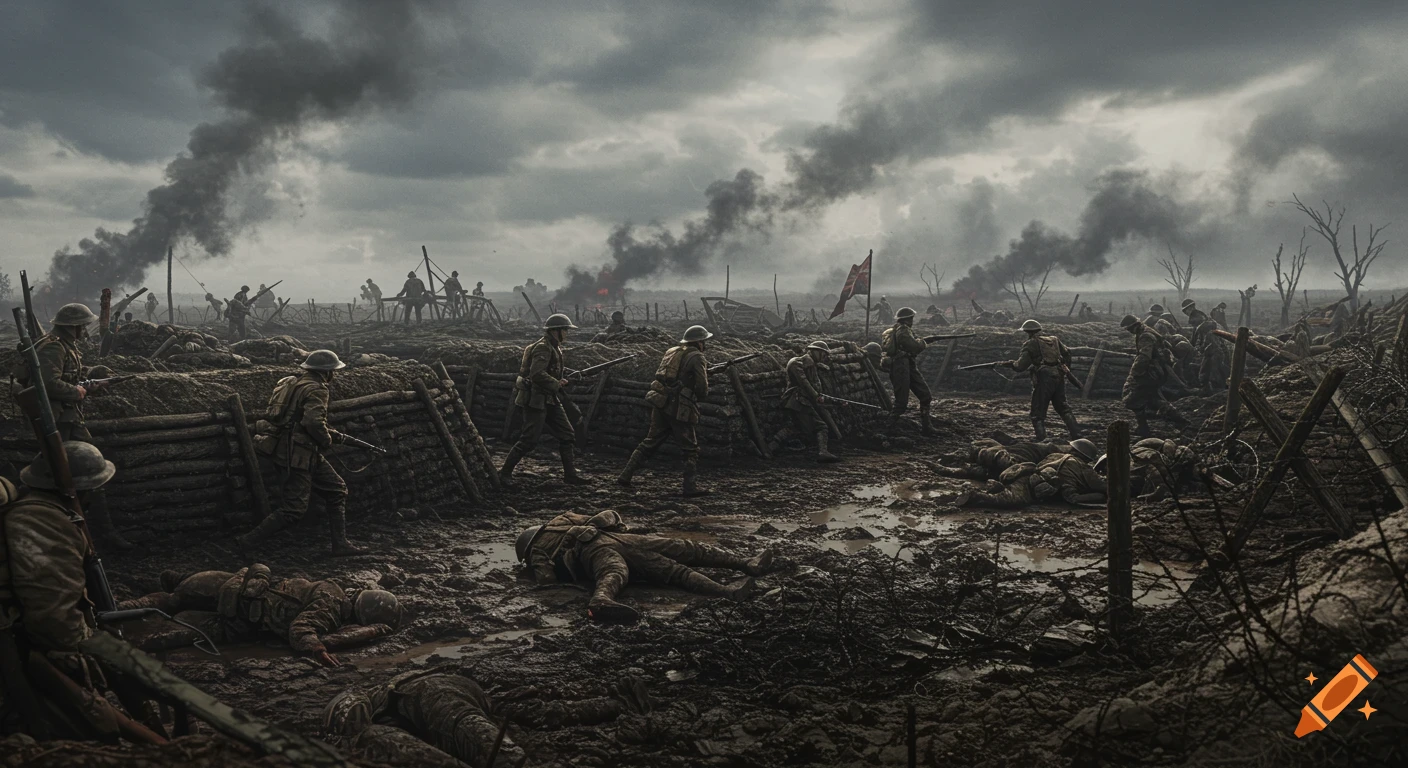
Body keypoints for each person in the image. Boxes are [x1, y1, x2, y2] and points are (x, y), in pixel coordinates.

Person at [0, 443, 149, 741]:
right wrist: (85, 648)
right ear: (85, 490)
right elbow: (53, 619)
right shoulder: (45, 520)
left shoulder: (40, 511)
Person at [322, 669, 651, 768]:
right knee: (542, 715)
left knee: (502, 755)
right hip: (459, 688)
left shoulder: (399, 702)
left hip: (439, 695)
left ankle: (620, 702)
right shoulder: (381, 703)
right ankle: (617, 702)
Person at [517, 509, 772, 623]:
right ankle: (742, 569)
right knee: (682, 550)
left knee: (623, 572)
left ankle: (602, 598)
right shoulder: (563, 518)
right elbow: (605, 517)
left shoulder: (539, 550)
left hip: (601, 547)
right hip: (613, 542)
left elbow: (547, 580)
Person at [119, 565, 400, 667]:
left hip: (240, 617)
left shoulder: (332, 592)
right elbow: (301, 629)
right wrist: (317, 649)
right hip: (234, 595)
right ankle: (119, 608)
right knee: (173, 599)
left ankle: (123, 614)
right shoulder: (331, 604)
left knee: (176, 614)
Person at [240, 349, 365, 556]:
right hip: (298, 455)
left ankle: (340, 544)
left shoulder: (295, 383)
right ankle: (246, 541)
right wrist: (326, 440)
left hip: (297, 451)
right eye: (333, 371)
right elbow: (313, 422)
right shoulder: (317, 389)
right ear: (326, 372)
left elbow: (295, 419)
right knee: (294, 510)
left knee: (337, 490)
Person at [617, 325, 713, 496]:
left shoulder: (673, 352)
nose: (705, 345)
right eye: (704, 341)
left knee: (650, 441)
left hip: (661, 402)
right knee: (690, 448)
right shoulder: (697, 357)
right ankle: (690, 487)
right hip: (679, 407)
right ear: (699, 342)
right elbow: (702, 388)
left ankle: (625, 475)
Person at [498, 314, 589, 487]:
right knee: (529, 439)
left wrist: (571, 374)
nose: (567, 333)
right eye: (565, 330)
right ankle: (504, 473)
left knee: (567, 435)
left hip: (550, 399)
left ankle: (570, 475)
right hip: (536, 399)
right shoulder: (543, 348)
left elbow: (552, 368)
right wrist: (557, 383)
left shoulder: (553, 347)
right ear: (555, 331)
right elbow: (537, 374)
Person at [957, 443, 1105, 508]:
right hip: (1036, 489)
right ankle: (977, 495)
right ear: (1086, 458)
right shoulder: (1084, 468)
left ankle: (996, 488)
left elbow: (1039, 465)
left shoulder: (1055, 455)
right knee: (1011, 500)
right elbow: (1103, 487)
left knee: (1009, 494)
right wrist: (1101, 496)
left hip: (1028, 476)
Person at [769, 341, 840, 462]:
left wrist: (833, 401)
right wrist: (815, 395)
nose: (825, 357)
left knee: (796, 429)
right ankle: (823, 452)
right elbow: (804, 383)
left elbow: (816, 389)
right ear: (815, 352)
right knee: (821, 426)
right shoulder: (797, 363)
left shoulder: (812, 366)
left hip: (802, 401)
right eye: (823, 354)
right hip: (798, 400)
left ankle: (770, 447)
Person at [1119, 314, 1188, 438]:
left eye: (1128, 329)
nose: (1128, 332)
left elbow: (1144, 356)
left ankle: (1150, 425)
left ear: (1133, 327)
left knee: (1130, 397)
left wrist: (1134, 373)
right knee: (1150, 397)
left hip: (1151, 373)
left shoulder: (1145, 336)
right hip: (1156, 372)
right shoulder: (1147, 331)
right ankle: (1177, 420)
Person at [1011, 319, 1081, 440]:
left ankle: (1041, 439)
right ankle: (1077, 434)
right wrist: (1065, 369)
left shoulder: (1030, 343)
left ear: (1028, 332)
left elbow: (1020, 366)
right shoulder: (1054, 339)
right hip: (1058, 376)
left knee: (1037, 413)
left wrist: (1012, 364)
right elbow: (1067, 353)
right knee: (1063, 407)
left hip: (1044, 378)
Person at [881, 307, 936, 436]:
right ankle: (886, 429)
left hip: (907, 365)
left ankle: (927, 427)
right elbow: (914, 346)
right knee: (901, 403)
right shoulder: (903, 331)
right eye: (911, 318)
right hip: (901, 367)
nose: (912, 320)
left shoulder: (900, 330)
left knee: (925, 395)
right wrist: (923, 342)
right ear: (908, 319)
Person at [936, 437, 1095, 480]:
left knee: (985, 466)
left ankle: (956, 465)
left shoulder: (1052, 447)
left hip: (1004, 450)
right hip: (1013, 457)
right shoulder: (1058, 454)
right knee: (1005, 468)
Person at [1196, 319, 1230, 393]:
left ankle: (1214, 388)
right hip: (1214, 355)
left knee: (1211, 372)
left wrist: (1206, 350)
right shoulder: (1216, 334)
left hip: (1214, 356)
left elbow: (1215, 346)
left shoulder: (1210, 334)